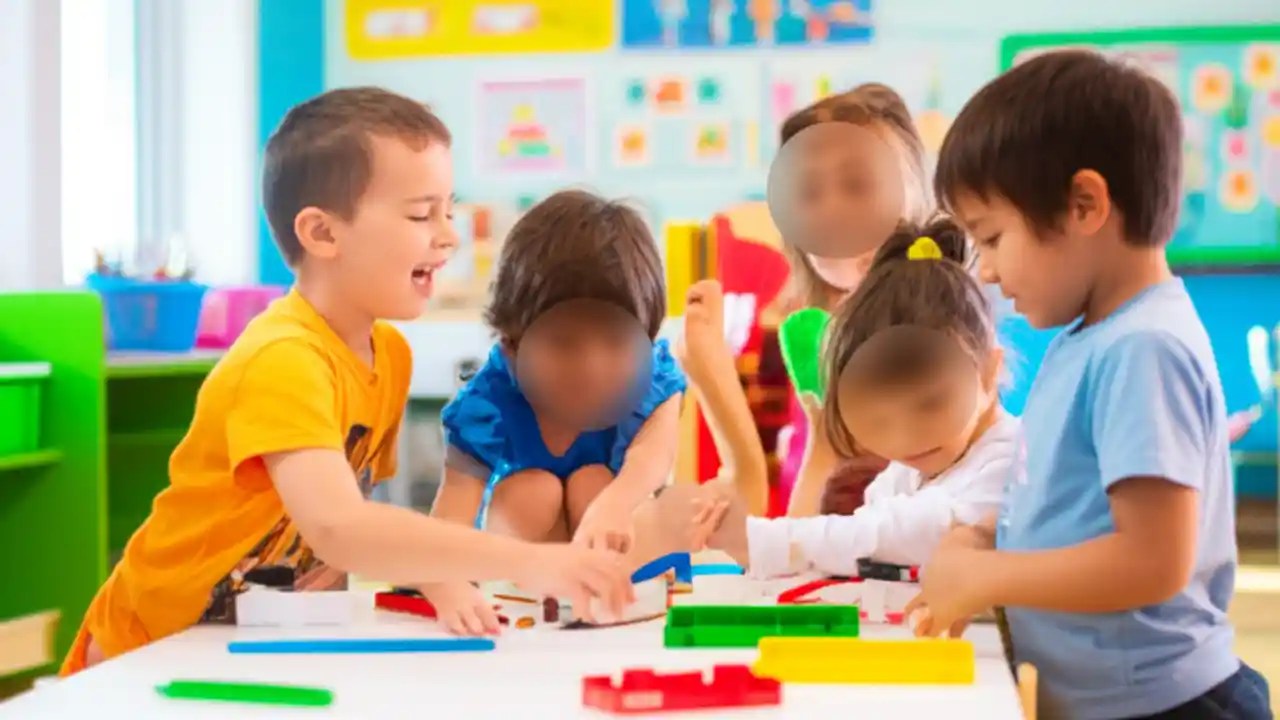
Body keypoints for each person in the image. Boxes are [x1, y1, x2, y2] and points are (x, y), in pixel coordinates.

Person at [60, 88, 632, 674]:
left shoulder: (387, 353)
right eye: (420, 214)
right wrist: (531, 562)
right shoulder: (282, 357)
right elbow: (339, 525)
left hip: (241, 642)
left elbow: (348, 520)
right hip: (146, 648)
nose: (448, 236)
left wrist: (435, 579)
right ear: (323, 234)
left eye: (448, 211)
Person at [910, 50, 1273, 719]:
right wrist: (987, 534)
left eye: (991, 238)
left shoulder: (1143, 347)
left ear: (1085, 204)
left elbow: (1151, 559)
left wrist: (986, 576)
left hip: (1166, 706)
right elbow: (1076, 504)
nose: (985, 273)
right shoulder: (1091, 337)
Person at [426, 189, 687, 635]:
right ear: (511, 346)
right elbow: (449, 519)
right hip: (528, 570)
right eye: (564, 343)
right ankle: (542, 601)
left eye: (616, 341)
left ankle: (606, 601)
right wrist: (445, 586)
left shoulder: (651, 378)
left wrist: (613, 506)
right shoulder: (488, 404)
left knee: (597, 483)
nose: (592, 368)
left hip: (617, 559)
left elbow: (652, 459)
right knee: (534, 489)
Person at [696, 219, 1018, 579]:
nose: (909, 433)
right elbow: (851, 548)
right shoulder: (904, 476)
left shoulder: (1012, 460)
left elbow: (913, 532)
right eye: (884, 413)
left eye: (930, 402)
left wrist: (762, 540)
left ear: (990, 371)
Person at [683, 83, 933, 520]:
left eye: (860, 184)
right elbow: (801, 528)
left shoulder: (938, 340)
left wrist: (717, 387)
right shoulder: (812, 336)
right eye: (811, 195)